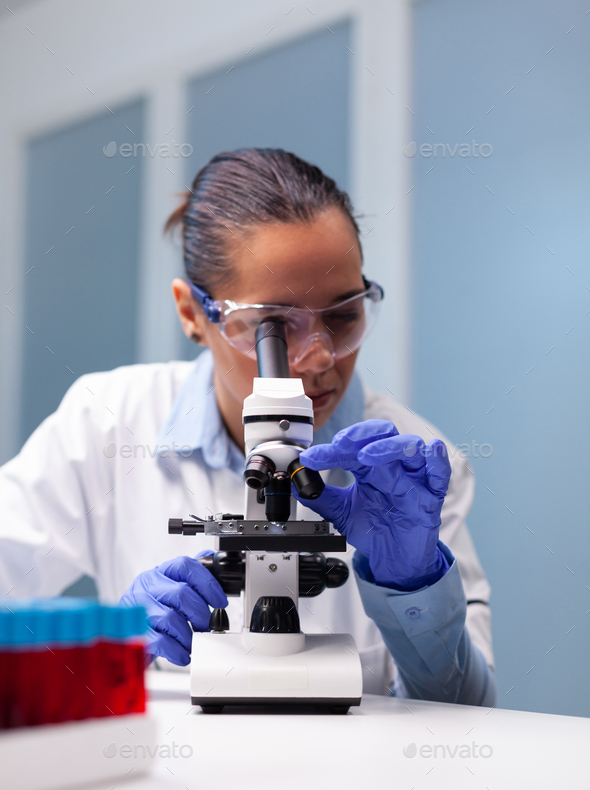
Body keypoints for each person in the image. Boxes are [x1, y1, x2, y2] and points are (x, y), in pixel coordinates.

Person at [0, 148, 495, 705]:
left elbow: (469, 711)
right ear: (192, 313)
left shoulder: (415, 468)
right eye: (275, 327)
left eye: (342, 315)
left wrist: (415, 588)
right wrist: (107, 643)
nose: (317, 357)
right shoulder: (107, 421)